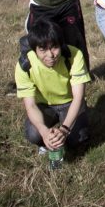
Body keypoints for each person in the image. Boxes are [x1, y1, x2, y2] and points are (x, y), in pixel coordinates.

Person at [15, 18, 90, 156]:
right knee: (33, 134)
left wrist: (64, 130)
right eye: (43, 49)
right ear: (35, 49)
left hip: (70, 102)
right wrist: (43, 132)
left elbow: (78, 97)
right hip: (44, 105)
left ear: (61, 44)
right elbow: (30, 105)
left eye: (55, 47)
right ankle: (46, 142)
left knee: (78, 139)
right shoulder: (25, 65)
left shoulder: (74, 55)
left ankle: (62, 135)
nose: (50, 55)